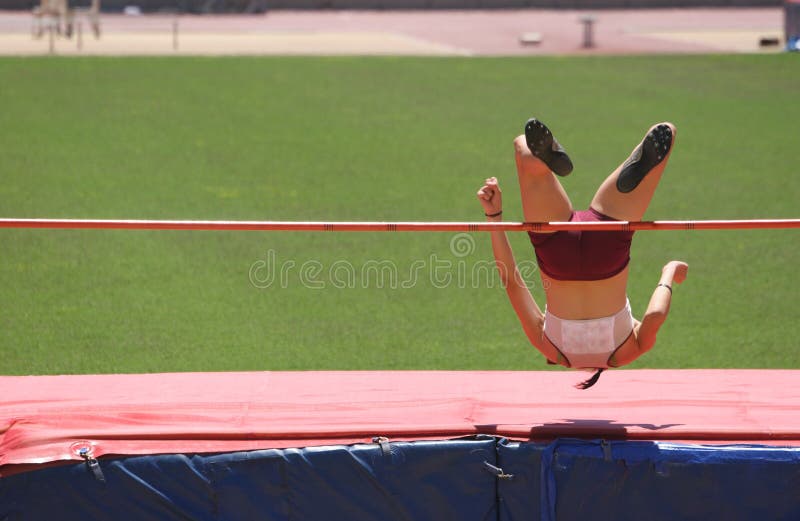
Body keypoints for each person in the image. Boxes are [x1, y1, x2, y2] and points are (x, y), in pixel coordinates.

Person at [477, 118, 688, 389]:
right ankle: (542, 159)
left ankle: (622, 165)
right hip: (556, 252)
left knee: (666, 131)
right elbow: (511, 280)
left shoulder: (626, 352)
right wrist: (494, 216)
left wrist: (668, 273)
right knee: (524, 149)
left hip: (607, 248)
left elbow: (655, 316)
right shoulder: (549, 348)